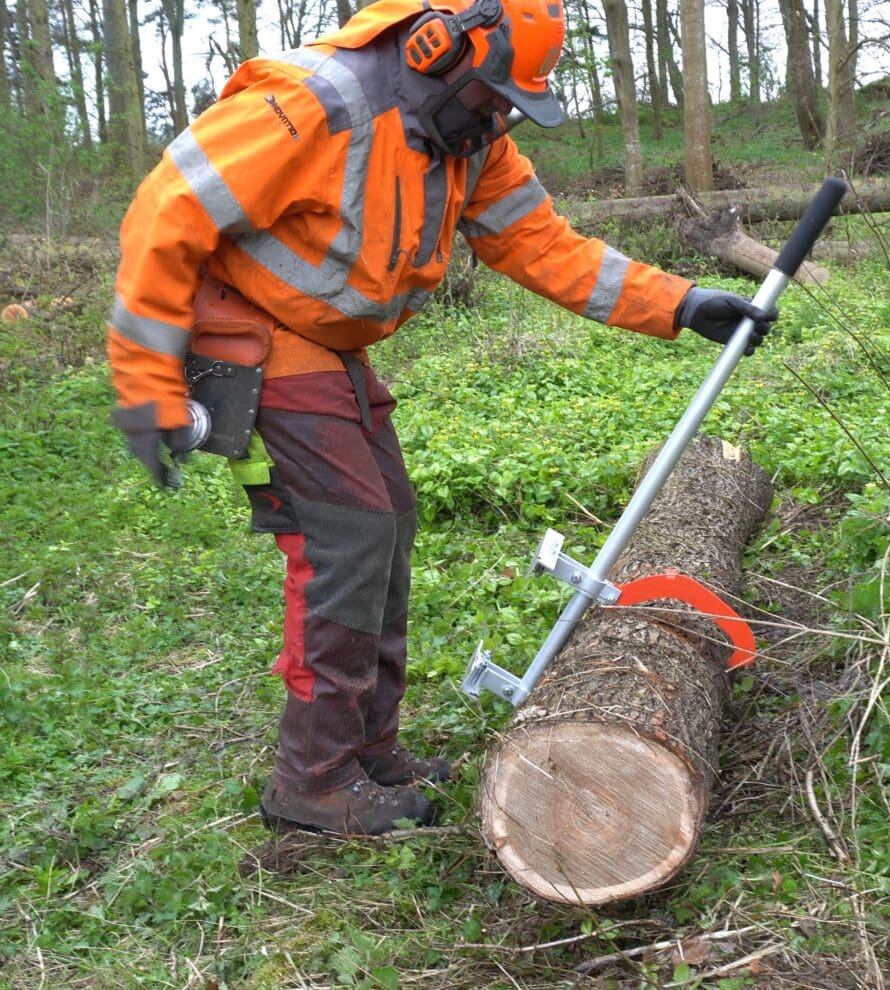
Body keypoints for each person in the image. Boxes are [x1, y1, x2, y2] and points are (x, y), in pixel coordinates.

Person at [106, 0, 777, 837]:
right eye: (493, 94)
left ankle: (368, 750)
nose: (498, 116)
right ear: (438, 50)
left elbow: (540, 243)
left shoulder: (471, 138)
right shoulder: (313, 104)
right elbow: (167, 213)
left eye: (511, 102)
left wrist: (679, 302)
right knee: (347, 534)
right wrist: (146, 385)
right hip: (248, 330)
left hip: (325, 342)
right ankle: (312, 779)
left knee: (387, 521)